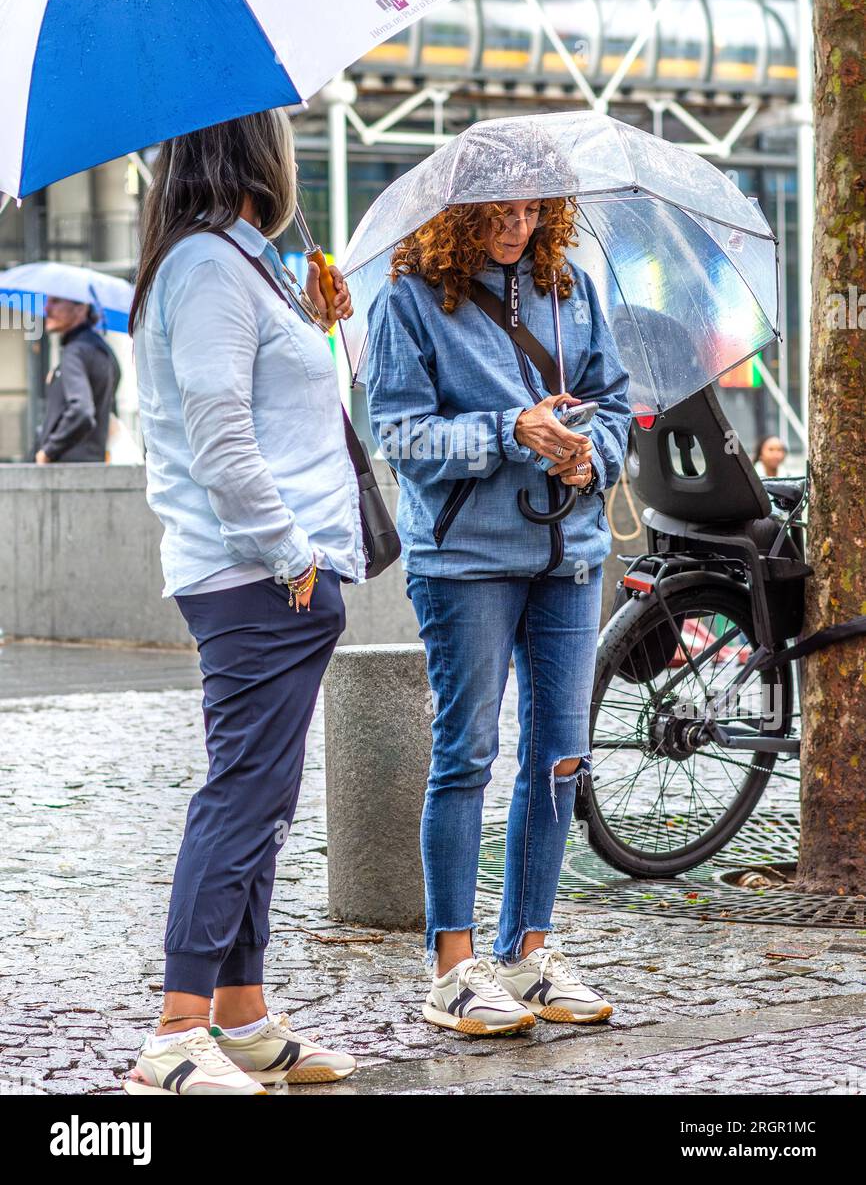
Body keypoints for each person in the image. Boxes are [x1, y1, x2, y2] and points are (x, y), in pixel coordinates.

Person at [124, 107, 365, 1096]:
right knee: (240, 796)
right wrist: (291, 557)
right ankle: (175, 1031)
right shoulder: (211, 267)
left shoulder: (237, 263)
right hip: (255, 578)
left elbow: (272, 405)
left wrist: (317, 323)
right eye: (282, 139)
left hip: (271, 579)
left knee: (261, 800)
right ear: (252, 151)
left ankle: (242, 1012)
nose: (294, 155)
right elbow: (221, 437)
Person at [365, 193, 632, 1037]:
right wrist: (511, 431)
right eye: (497, 213)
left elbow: (615, 404)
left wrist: (596, 456)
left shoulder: (572, 289)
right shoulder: (408, 299)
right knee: (466, 755)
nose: (515, 228)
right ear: (456, 214)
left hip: (570, 554)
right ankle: (452, 966)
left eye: (531, 212)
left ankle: (529, 953)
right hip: (465, 561)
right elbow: (400, 434)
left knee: (561, 757)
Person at [34, 297, 120, 463]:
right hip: (92, 465)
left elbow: (82, 410)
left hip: (66, 470)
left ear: (81, 308)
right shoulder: (103, 350)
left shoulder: (75, 351)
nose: (47, 309)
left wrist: (47, 451)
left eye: (56, 301)